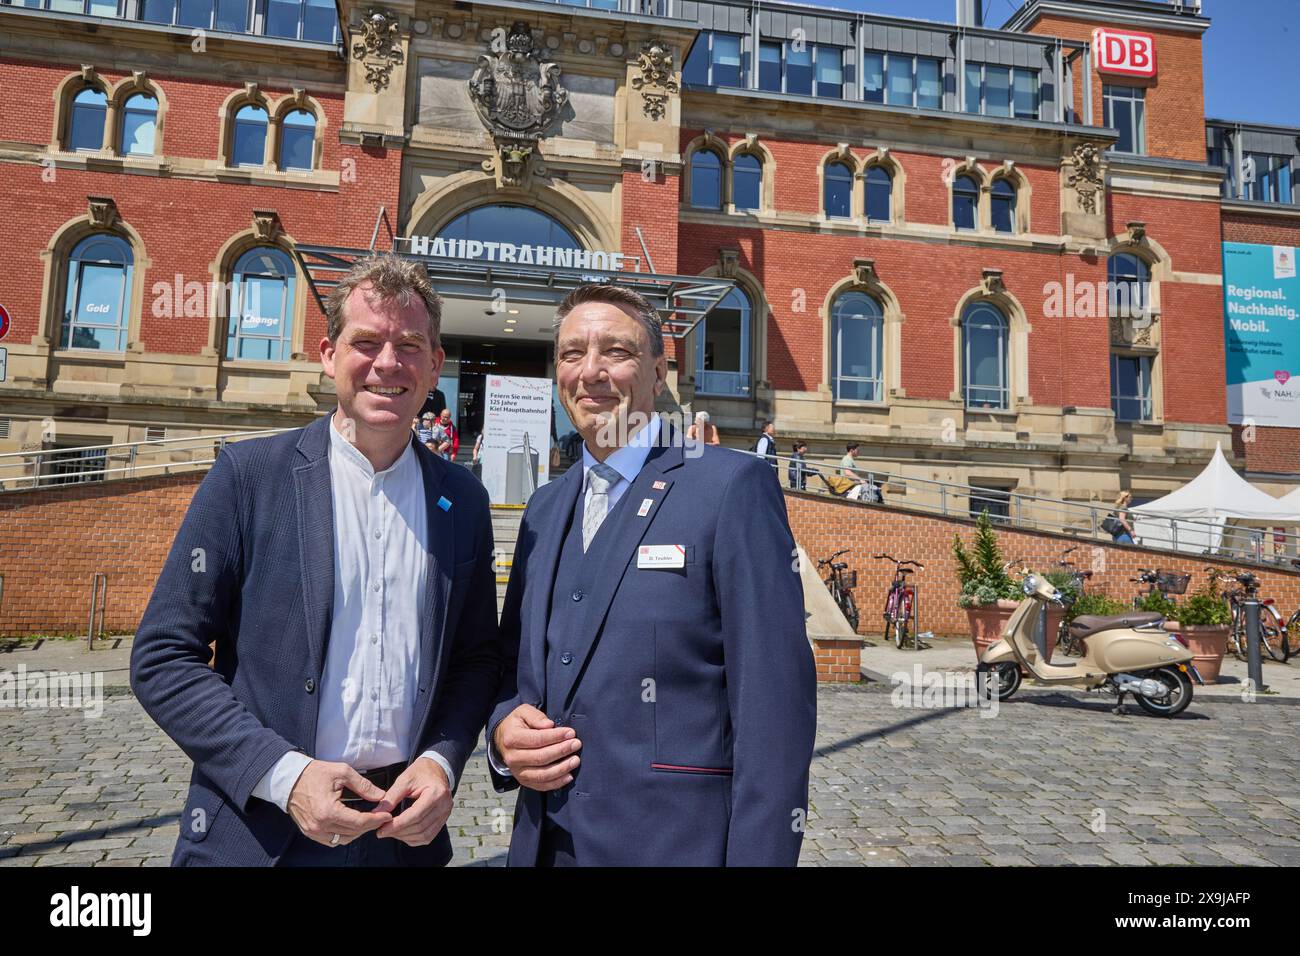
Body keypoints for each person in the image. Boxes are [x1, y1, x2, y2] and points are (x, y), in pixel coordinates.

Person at [130, 254, 502, 867]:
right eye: (367, 341)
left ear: (435, 365)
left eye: (410, 345)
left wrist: (441, 760)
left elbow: (475, 659)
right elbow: (163, 656)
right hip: (259, 833)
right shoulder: (248, 478)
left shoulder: (463, 500)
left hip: (400, 838)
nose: (388, 363)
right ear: (329, 355)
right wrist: (284, 775)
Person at [487, 283, 816, 867]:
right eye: (571, 354)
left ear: (660, 372)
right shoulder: (543, 508)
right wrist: (501, 732)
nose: (591, 372)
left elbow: (775, 713)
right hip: (544, 849)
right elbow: (511, 669)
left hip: (674, 847)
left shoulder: (729, 489)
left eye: (616, 351)